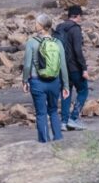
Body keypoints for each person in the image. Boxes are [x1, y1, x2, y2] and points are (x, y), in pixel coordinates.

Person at [22, 13, 70, 143]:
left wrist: (25, 81)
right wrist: (65, 86)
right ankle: (59, 140)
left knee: (41, 113)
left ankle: (44, 143)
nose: (34, 25)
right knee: (53, 111)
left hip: (37, 81)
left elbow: (27, 65)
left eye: (36, 23)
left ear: (41, 26)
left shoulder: (32, 42)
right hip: (54, 82)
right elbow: (63, 66)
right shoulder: (58, 42)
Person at [54, 4, 89, 131]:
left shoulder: (59, 28)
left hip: (61, 67)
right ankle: (74, 118)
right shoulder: (75, 29)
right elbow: (77, 51)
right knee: (83, 90)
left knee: (66, 92)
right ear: (78, 16)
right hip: (74, 67)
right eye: (81, 16)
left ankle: (64, 122)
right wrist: (84, 68)